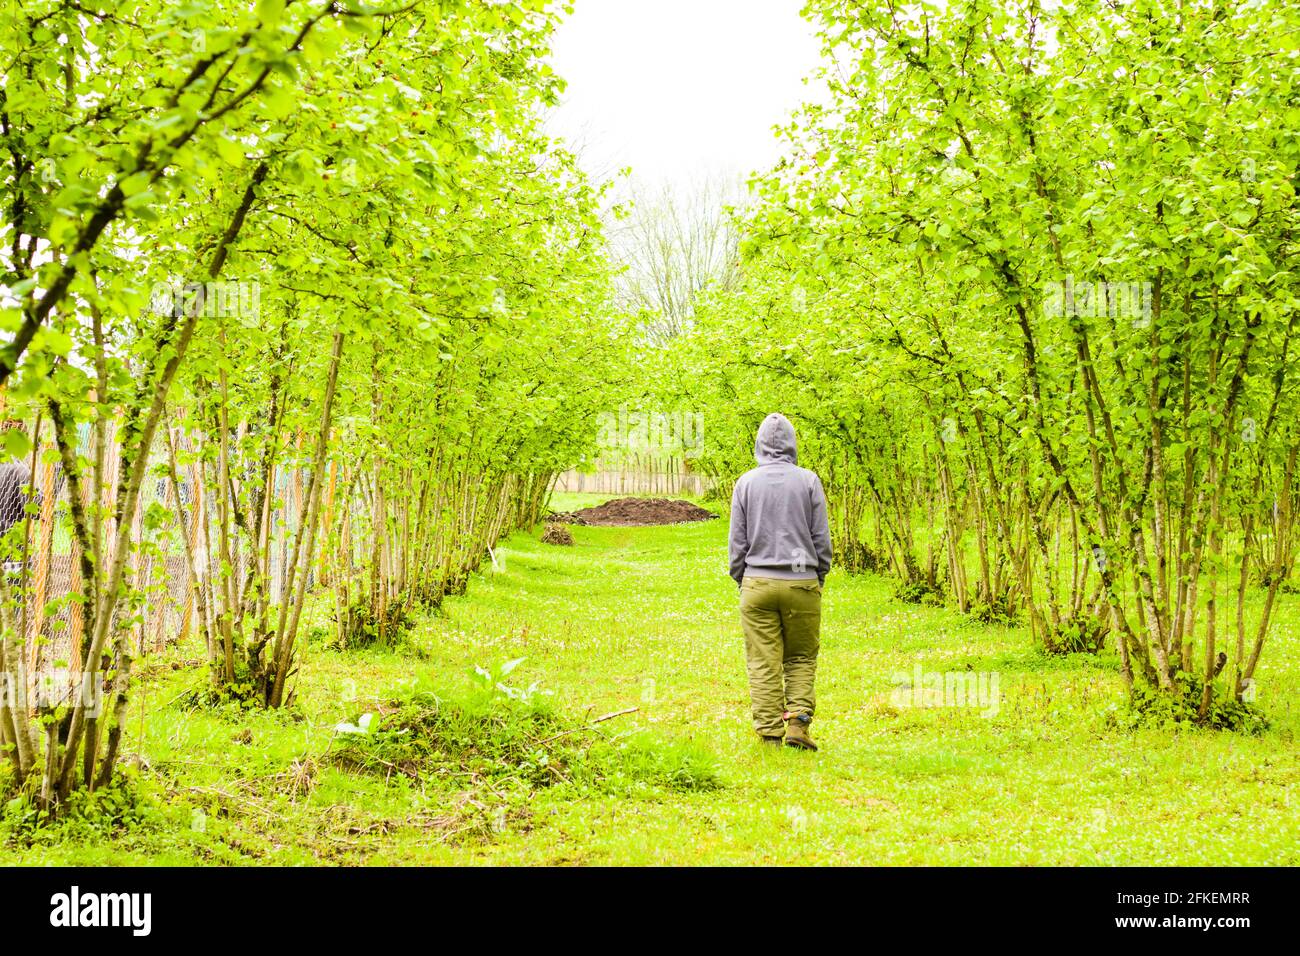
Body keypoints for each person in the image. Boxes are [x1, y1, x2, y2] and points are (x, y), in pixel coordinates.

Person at [728, 412, 832, 751]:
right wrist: (817, 575)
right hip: (801, 583)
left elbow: (737, 544)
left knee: (763, 659)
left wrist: (742, 578)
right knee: (800, 657)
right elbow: (821, 539)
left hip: (757, 583)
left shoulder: (745, 483)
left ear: (758, 445)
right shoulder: (808, 481)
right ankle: (799, 726)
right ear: (792, 444)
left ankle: (770, 733)